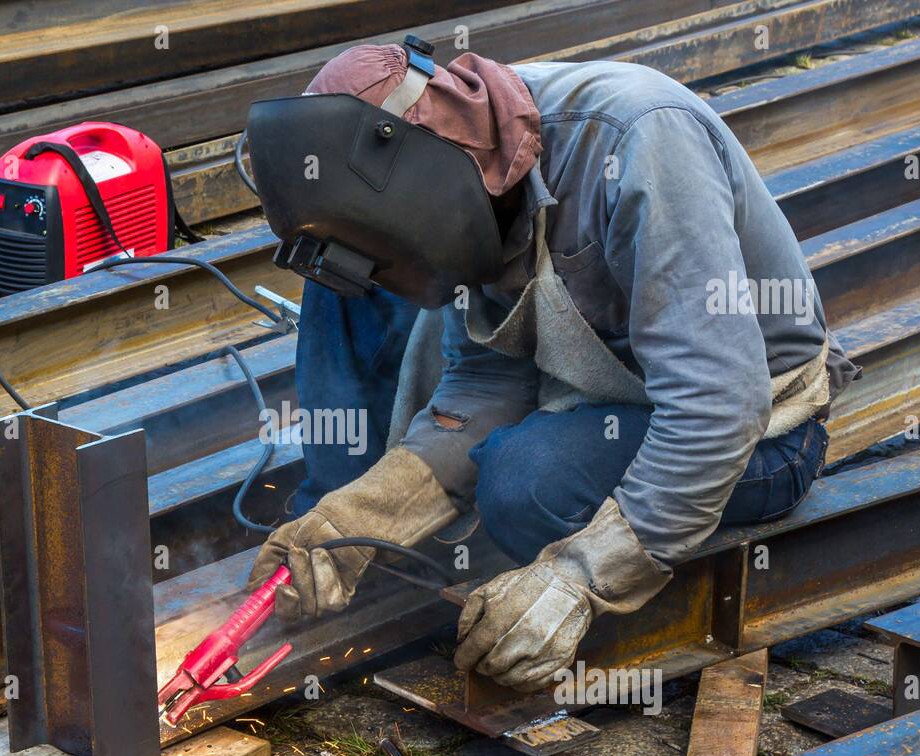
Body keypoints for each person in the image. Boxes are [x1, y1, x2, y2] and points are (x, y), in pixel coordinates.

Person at [246, 38, 859, 693]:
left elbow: (719, 405)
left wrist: (576, 578)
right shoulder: (470, 162)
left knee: (521, 484)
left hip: (758, 431)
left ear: (417, 169)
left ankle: (583, 571)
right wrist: (358, 518)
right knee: (350, 296)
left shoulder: (639, 143)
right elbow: (486, 381)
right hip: (602, 401)